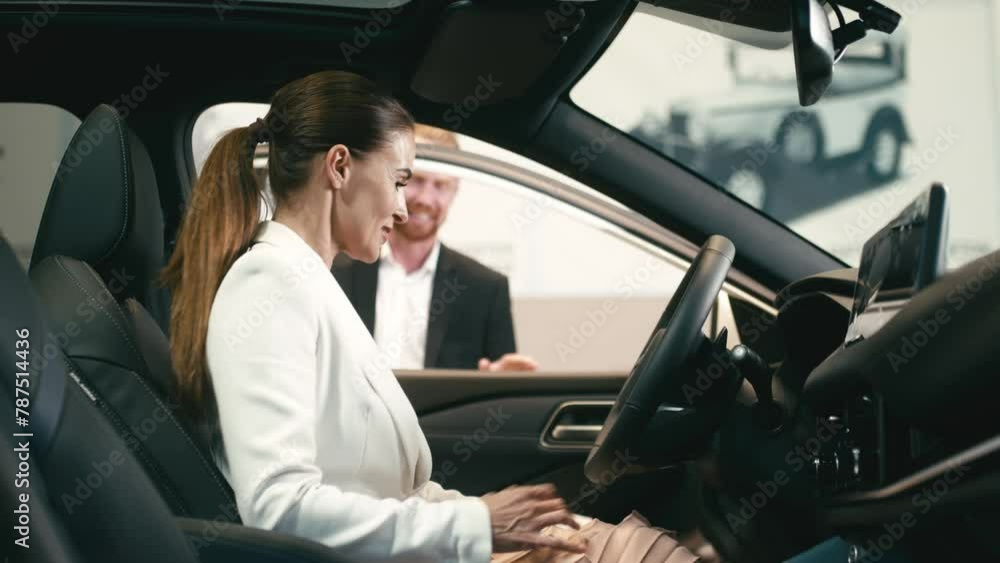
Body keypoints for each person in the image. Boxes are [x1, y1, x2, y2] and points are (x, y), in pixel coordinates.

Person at [161, 70, 698, 563]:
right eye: (399, 180)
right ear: (340, 166)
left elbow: (385, 492)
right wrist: (473, 523)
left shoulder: (304, 280)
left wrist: (482, 516)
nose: (403, 206)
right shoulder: (270, 285)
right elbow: (280, 509)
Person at [331, 124, 536, 372]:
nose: (426, 199)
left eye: (440, 185)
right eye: (416, 181)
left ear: (455, 190)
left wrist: (498, 383)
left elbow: (501, 387)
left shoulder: (486, 289)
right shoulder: (333, 271)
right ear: (394, 181)